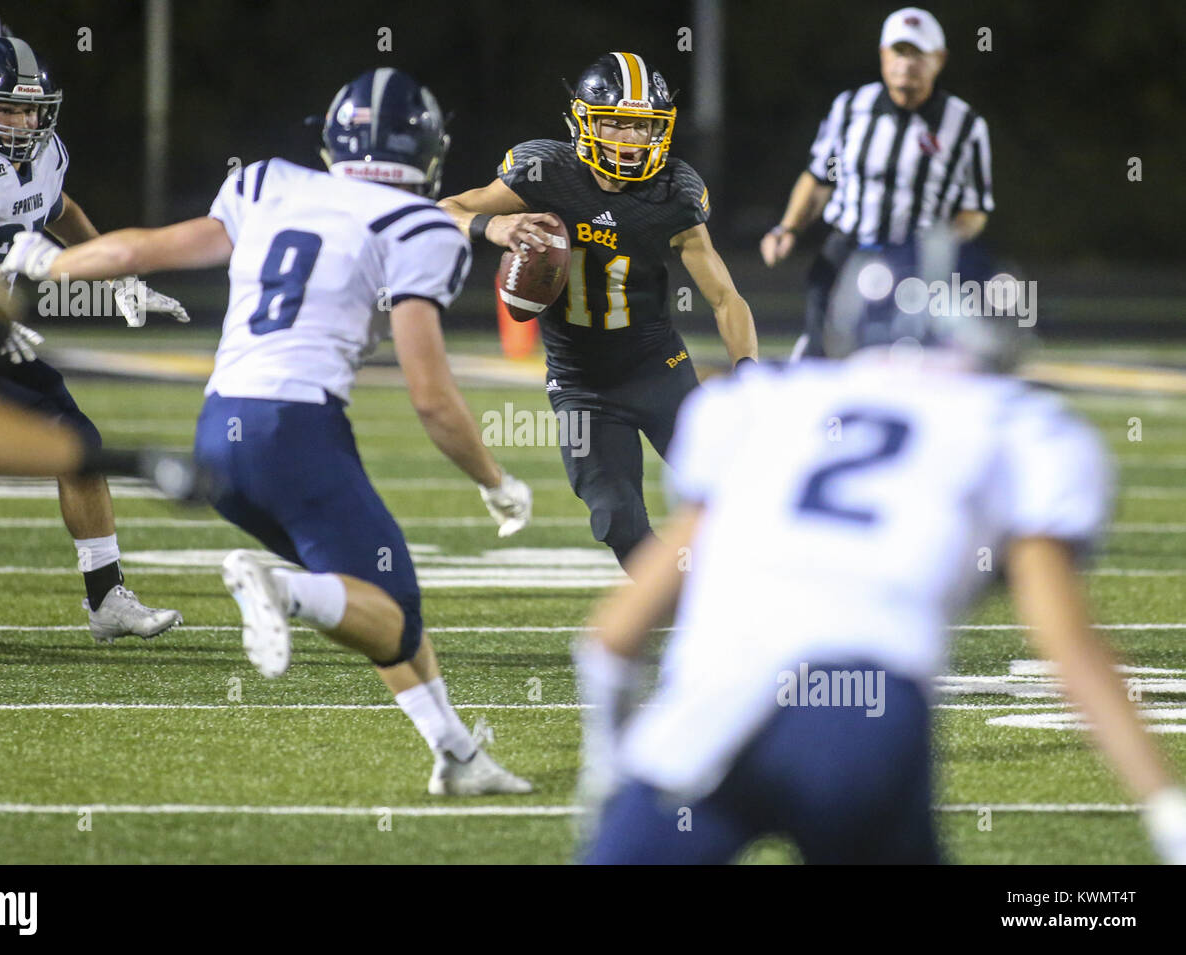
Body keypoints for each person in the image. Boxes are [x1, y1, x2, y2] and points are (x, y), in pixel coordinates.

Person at [0, 68, 535, 795]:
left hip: (220, 430)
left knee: (369, 592)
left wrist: (53, 260)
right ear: (427, 150)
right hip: (297, 430)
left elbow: (138, 251)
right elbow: (432, 397)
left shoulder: (270, 184)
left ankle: (458, 755)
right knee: (392, 609)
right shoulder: (421, 225)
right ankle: (280, 591)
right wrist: (495, 482)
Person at [575, 229, 1186, 864]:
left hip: (702, 716)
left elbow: (613, 637)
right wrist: (1168, 806)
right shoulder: (1019, 426)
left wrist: (614, 777)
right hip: (860, 713)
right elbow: (1066, 641)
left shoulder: (765, 405)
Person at [0, 35, 186, 650]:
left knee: (74, 436)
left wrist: (112, 272)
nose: (23, 123)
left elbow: (57, 208)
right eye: (7, 109)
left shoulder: (45, 154)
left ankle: (106, 596)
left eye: (30, 110)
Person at [438, 52, 757, 572]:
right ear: (582, 121)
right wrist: (490, 227)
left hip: (659, 371)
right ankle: (683, 612)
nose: (631, 139)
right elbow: (443, 209)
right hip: (581, 384)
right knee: (616, 518)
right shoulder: (545, 172)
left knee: (735, 493)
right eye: (616, 123)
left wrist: (748, 372)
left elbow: (725, 297)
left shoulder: (673, 193)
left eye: (643, 126)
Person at [760, 8, 993, 361]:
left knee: (906, 361)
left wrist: (940, 248)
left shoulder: (964, 124)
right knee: (820, 356)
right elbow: (821, 177)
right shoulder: (851, 108)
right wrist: (788, 228)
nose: (906, 63)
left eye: (918, 53)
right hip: (846, 251)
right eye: (899, 51)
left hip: (913, 265)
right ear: (884, 55)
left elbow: (974, 209)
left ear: (939, 60)